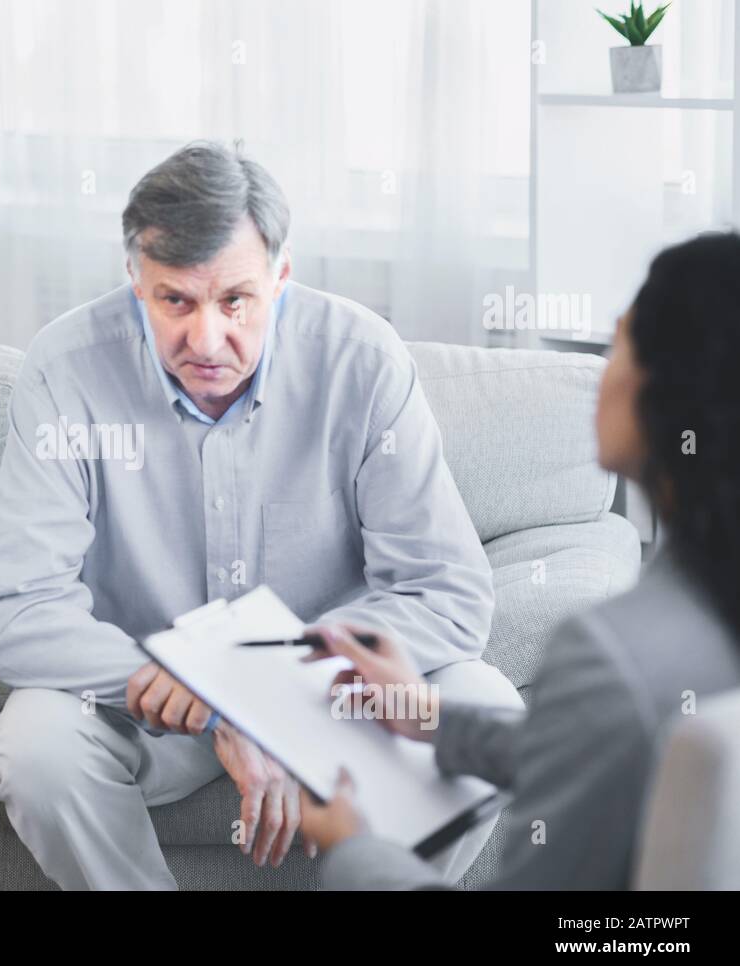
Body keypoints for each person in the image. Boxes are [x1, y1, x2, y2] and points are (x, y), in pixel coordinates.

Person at [0, 141, 519, 890]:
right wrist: (194, 690)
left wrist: (266, 691)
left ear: (280, 277)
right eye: (175, 301)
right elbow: (18, 607)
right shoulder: (64, 369)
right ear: (136, 281)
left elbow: (450, 592)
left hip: (331, 698)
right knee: (34, 743)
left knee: (483, 705)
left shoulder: (361, 360)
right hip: (149, 700)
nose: (206, 339)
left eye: (235, 300)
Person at [299, 231, 740, 889]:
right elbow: (600, 749)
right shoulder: (695, 628)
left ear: (667, 386)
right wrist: (431, 715)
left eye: (619, 340)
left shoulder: (611, 654)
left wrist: (354, 847)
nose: (600, 367)